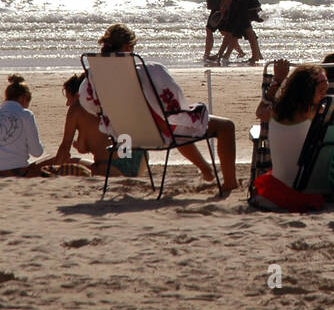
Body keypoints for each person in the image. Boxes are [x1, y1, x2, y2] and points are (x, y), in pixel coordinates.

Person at [78, 24, 238, 193]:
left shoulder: (93, 76)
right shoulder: (150, 71)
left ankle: (207, 171)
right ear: (128, 47)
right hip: (158, 134)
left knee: (171, 124)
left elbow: (90, 106)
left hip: (124, 135)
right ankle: (230, 183)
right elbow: (175, 103)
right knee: (224, 126)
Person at [41, 74, 142, 176]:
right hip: (140, 159)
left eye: (68, 98)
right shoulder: (107, 101)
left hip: (110, 166)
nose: (67, 103)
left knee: (70, 163)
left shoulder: (76, 107)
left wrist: (54, 170)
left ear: (77, 94)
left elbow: (65, 147)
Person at [255, 63, 328, 186]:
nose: (324, 94)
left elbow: (260, 111)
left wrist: (278, 81)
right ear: (307, 90)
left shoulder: (275, 112)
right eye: (322, 89)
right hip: (306, 186)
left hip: (278, 183)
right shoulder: (315, 113)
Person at [0, 74, 46, 177]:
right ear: (23, 98)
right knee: (56, 159)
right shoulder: (26, 115)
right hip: (17, 172)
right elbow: (37, 152)